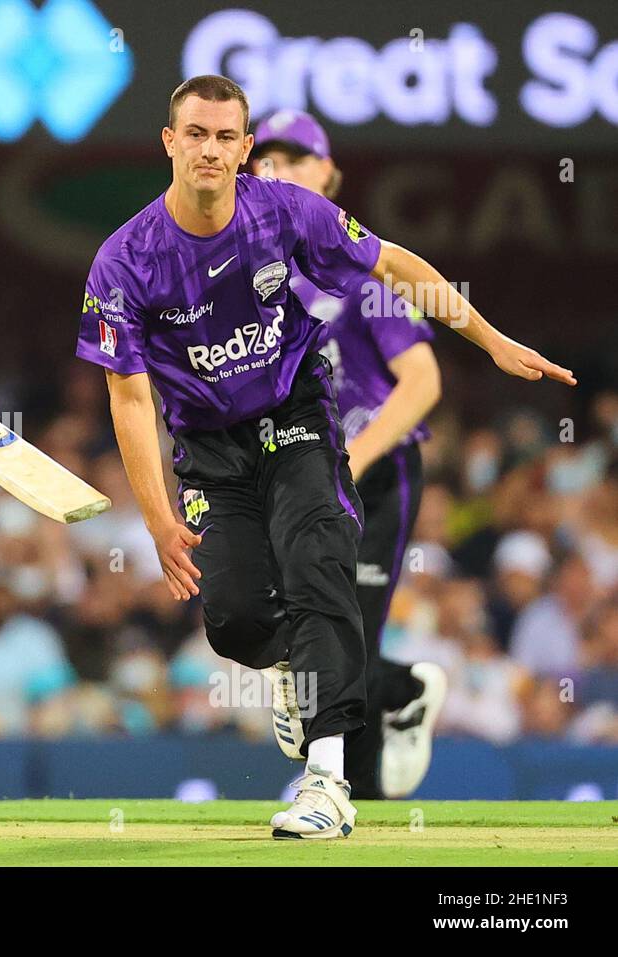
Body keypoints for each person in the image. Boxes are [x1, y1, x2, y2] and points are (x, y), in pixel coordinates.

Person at [78, 75, 574, 840]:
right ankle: (286, 671)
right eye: (196, 134)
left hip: (298, 416)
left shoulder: (286, 211)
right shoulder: (125, 260)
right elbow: (130, 398)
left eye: (225, 137)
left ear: (244, 151)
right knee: (236, 618)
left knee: (319, 568)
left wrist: (491, 337)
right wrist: (156, 517)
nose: (211, 149)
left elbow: (396, 265)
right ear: (170, 142)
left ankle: (327, 782)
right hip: (210, 449)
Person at [250, 110, 447, 801]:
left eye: (297, 158)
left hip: (375, 471)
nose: (278, 169)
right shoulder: (253, 276)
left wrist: (358, 455)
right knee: (300, 627)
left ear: (329, 175)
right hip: (301, 469)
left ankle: (345, 777)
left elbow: (424, 379)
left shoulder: (360, 269)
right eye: (265, 158)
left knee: (342, 634)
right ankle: (395, 706)